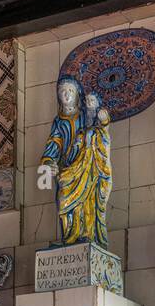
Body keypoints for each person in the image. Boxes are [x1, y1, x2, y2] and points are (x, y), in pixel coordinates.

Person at [40, 78, 112, 248]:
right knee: (64, 199)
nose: (66, 94)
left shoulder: (85, 114)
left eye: (70, 91)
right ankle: (70, 237)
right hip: (67, 169)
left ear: (77, 95)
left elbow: (100, 129)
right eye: (62, 91)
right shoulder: (58, 121)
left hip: (87, 165)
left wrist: (104, 121)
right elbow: (54, 142)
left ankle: (87, 234)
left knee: (87, 199)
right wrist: (49, 161)